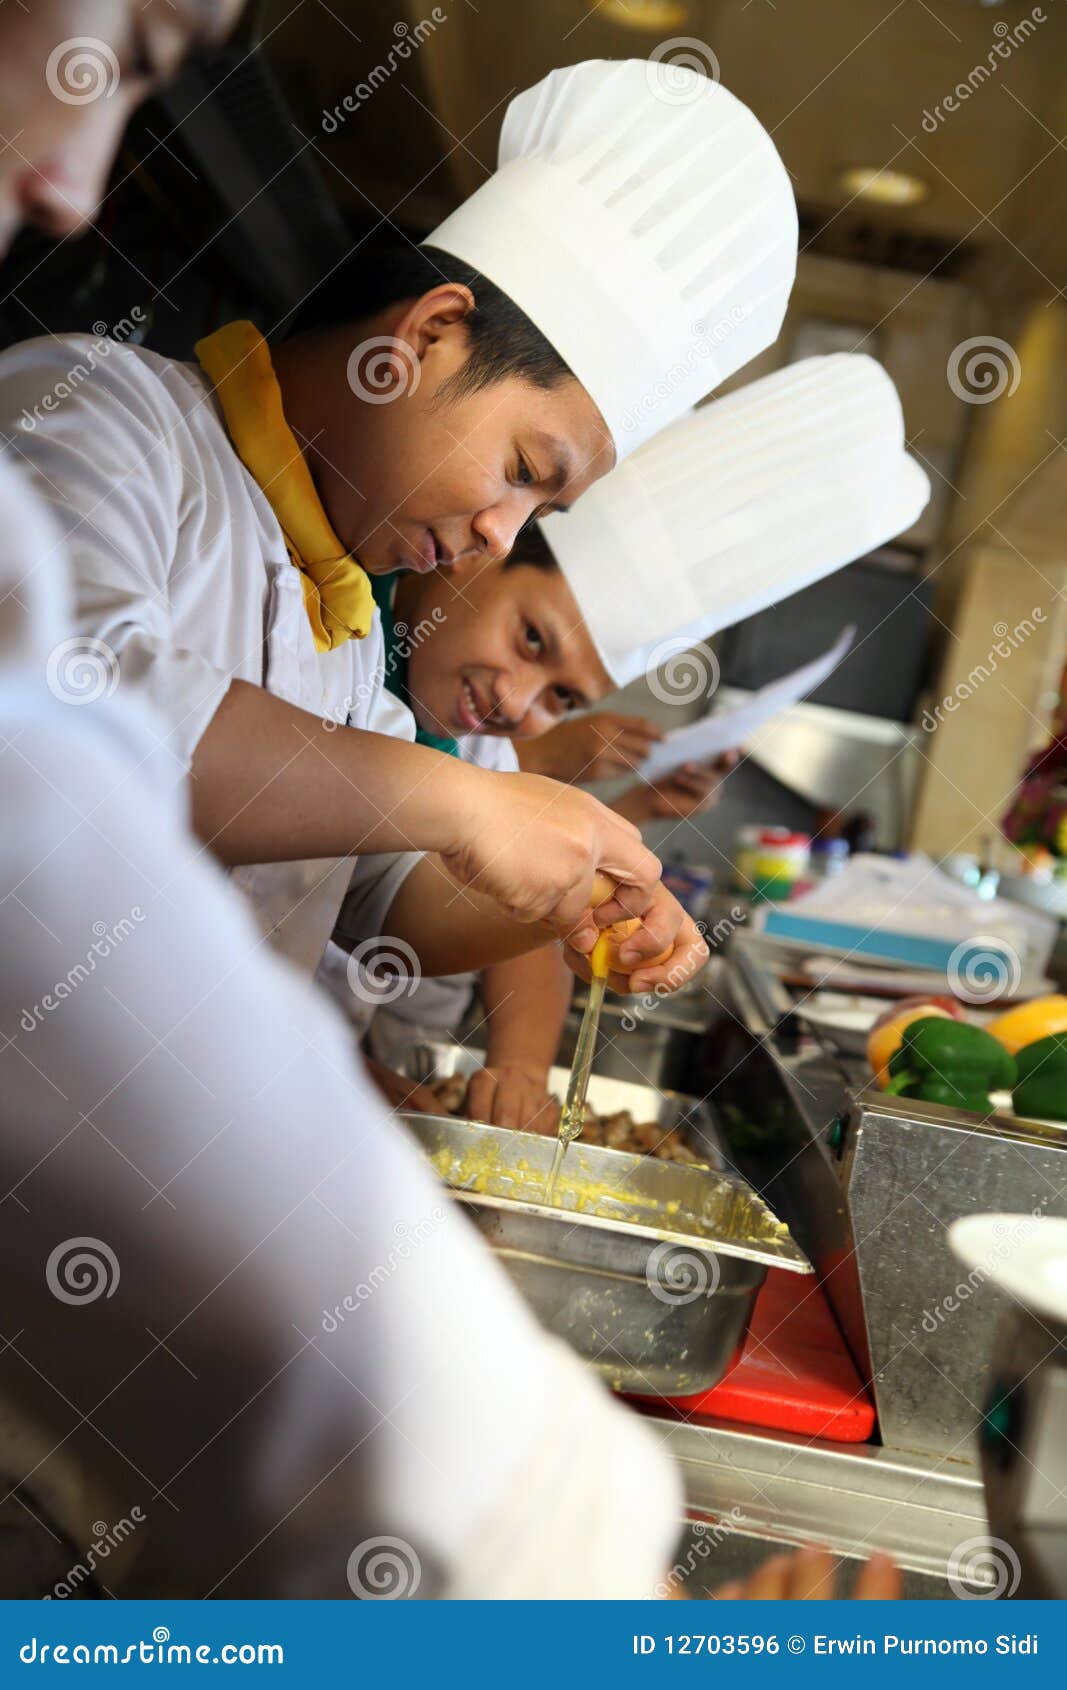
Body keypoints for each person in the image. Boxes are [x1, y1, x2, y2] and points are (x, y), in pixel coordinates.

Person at [0, 59, 797, 999]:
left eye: (542, 511)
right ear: (424, 338)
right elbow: (64, 715)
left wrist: (572, 897)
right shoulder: (100, 412)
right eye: (523, 473)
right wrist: (465, 801)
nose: (504, 536)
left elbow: (389, 894)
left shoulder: (351, 621)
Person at [332, 353, 930, 1124]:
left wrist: (579, 895)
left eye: (564, 698)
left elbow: (391, 908)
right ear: (492, 543)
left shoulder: (470, 737)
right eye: (531, 638)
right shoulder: (331, 621)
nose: (514, 698)